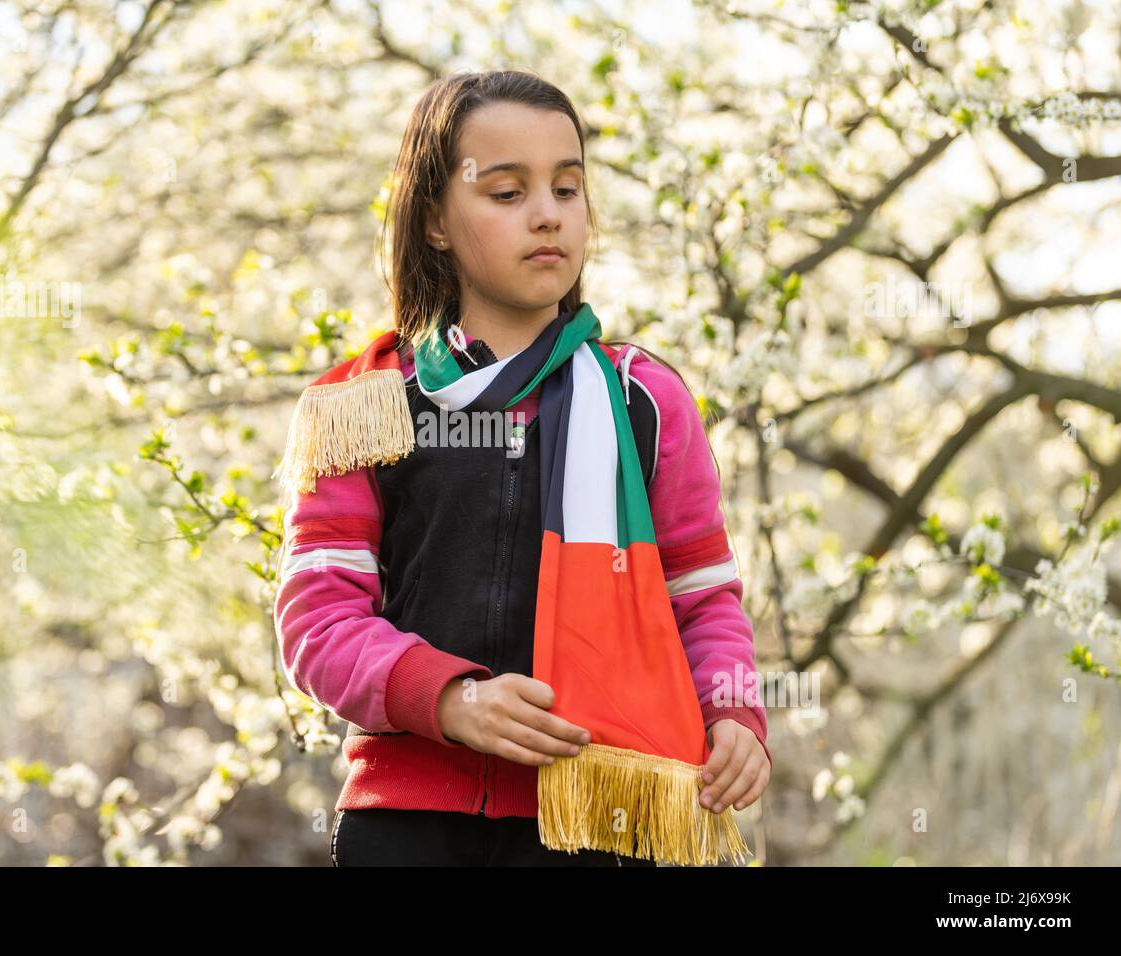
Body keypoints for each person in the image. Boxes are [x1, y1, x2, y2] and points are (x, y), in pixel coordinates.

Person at [273, 70, 770, 867]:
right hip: (412, 826)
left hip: (605, 818)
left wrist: (736, 715)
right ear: (435, 219)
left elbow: (703, 599)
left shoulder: (647, 399)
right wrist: (449, 698)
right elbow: (319, 622)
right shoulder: (361, 406)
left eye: (567, 188)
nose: (547, 215)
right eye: (505, 193)